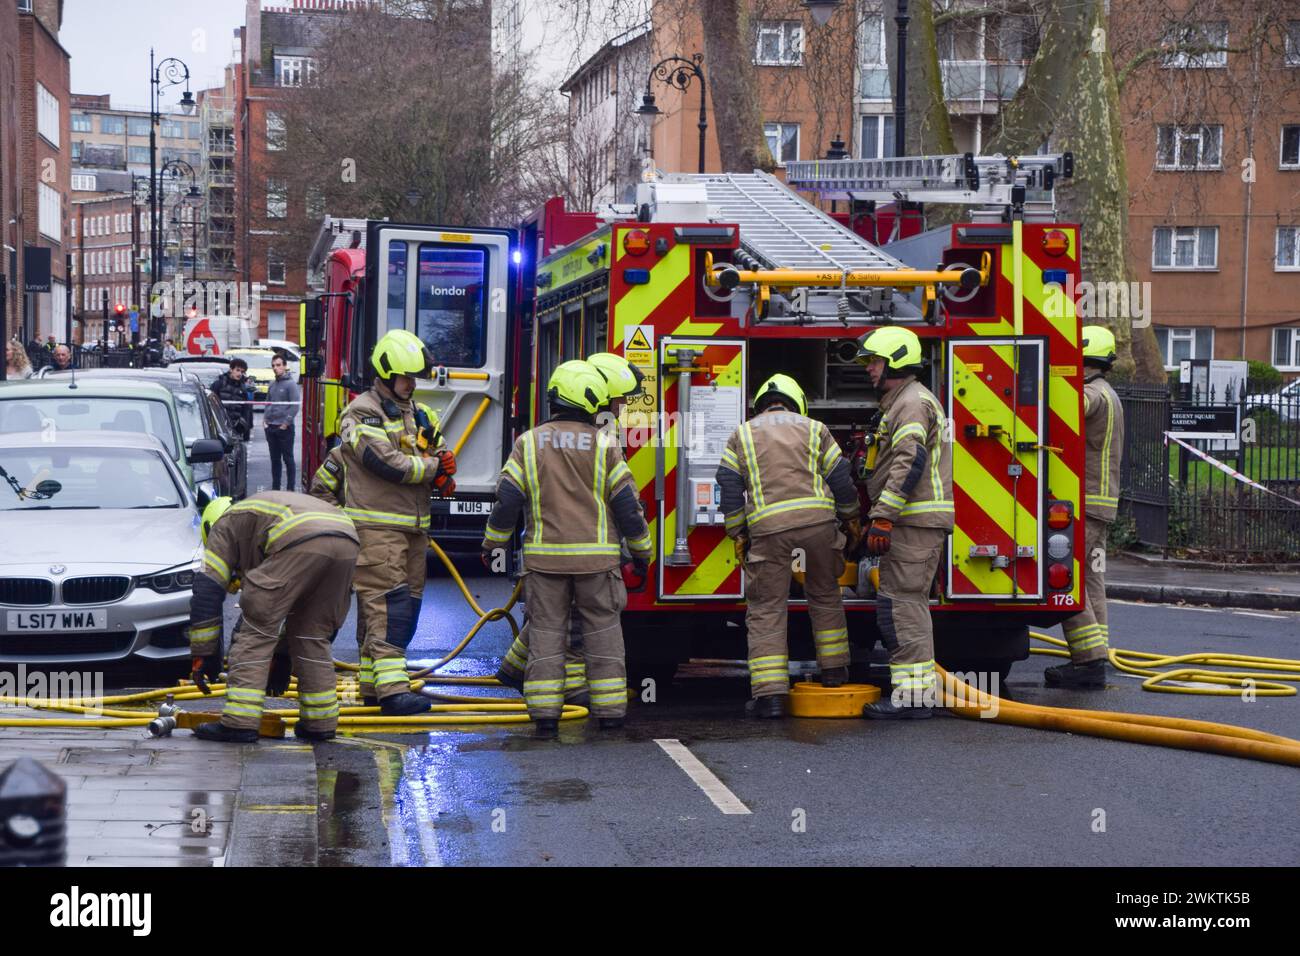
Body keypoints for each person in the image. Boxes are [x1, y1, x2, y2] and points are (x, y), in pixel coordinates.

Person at [482, 360, 652, 739]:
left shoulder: (528, 443)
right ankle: (609, 712)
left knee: (546, 630)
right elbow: (627, 506)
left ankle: (544, 714)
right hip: (597, 562)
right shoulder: (604, 445)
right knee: (604, 631)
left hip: (545, 563)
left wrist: (492, 543)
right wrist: (642, 553)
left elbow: (508, 499)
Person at [716, 374, 860, 718]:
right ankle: (835, 674)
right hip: (818, 527)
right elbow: (840, 475)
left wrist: (738, 531)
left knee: (767, 608)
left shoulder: (743, 433)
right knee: (825, 595)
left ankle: (771, 696)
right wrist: (851, 518)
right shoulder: (815, 428)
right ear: (797, 402)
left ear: (761, 405)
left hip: (769, 530)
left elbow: (728, 482)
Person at [339, 329, 455, 716]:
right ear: (386, 373)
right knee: (387, 608)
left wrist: (445, 465)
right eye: (406, 377)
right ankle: (392, 691)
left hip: (414, 528)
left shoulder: (417, 414)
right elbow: (387, 463)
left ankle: (374, 683)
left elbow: (434, 448)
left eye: (414, 377)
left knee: (405, 608)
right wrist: (434, 467)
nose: (411, 383)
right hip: (377, 529)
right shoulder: (361, 412)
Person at [188, 493, 359, 743]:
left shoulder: (223, 527)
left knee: (255, 632)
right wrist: (281, 655)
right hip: (347, 539)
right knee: (312, 635)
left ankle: (239, 723)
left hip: (301, 537)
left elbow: (207, 591)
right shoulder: (264, 516)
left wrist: (205, 654)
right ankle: (319, 723)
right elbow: (288, 606)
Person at [853, 327, 953, 720]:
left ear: (896, 360)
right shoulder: (905, 401)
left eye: (874, 361)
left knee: (902, 607)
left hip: (914, 522)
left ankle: (913, 698)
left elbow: (909, 462)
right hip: (913, 522)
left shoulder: (910, 404)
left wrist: (883, 518)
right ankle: (913, 693)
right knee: (899, 605)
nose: (869, 370)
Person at [1050, 326, 1125, 689]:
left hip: (1088, 503)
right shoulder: (1109, 393)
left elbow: (1063, 411)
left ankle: (1089, 662)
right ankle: (1099, 652)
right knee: (1092, 580)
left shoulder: (1091, 394)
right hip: (1102, 504)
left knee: (1069, 580)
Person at [264, 353, 301, 491]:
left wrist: (286, 423)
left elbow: (295, 405)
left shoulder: (291, 384)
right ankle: (276, 487)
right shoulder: (272, 384)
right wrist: (265, 422)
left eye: (278, 365)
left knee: (288, 459)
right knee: (275, 460)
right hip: (271, 428)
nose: (275, 368)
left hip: (285, 429)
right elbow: (268, 402)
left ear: (285, 366)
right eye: (273, 366)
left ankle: (290, 488)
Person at [212, 357, 253, 439]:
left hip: (236, 429)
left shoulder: (243, 388)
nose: (240, 373)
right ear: (231, 369)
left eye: (242, 372)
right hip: (220, 428)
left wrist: (245, 428)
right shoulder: (219, 384)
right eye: (237, 370)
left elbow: (247, 409)